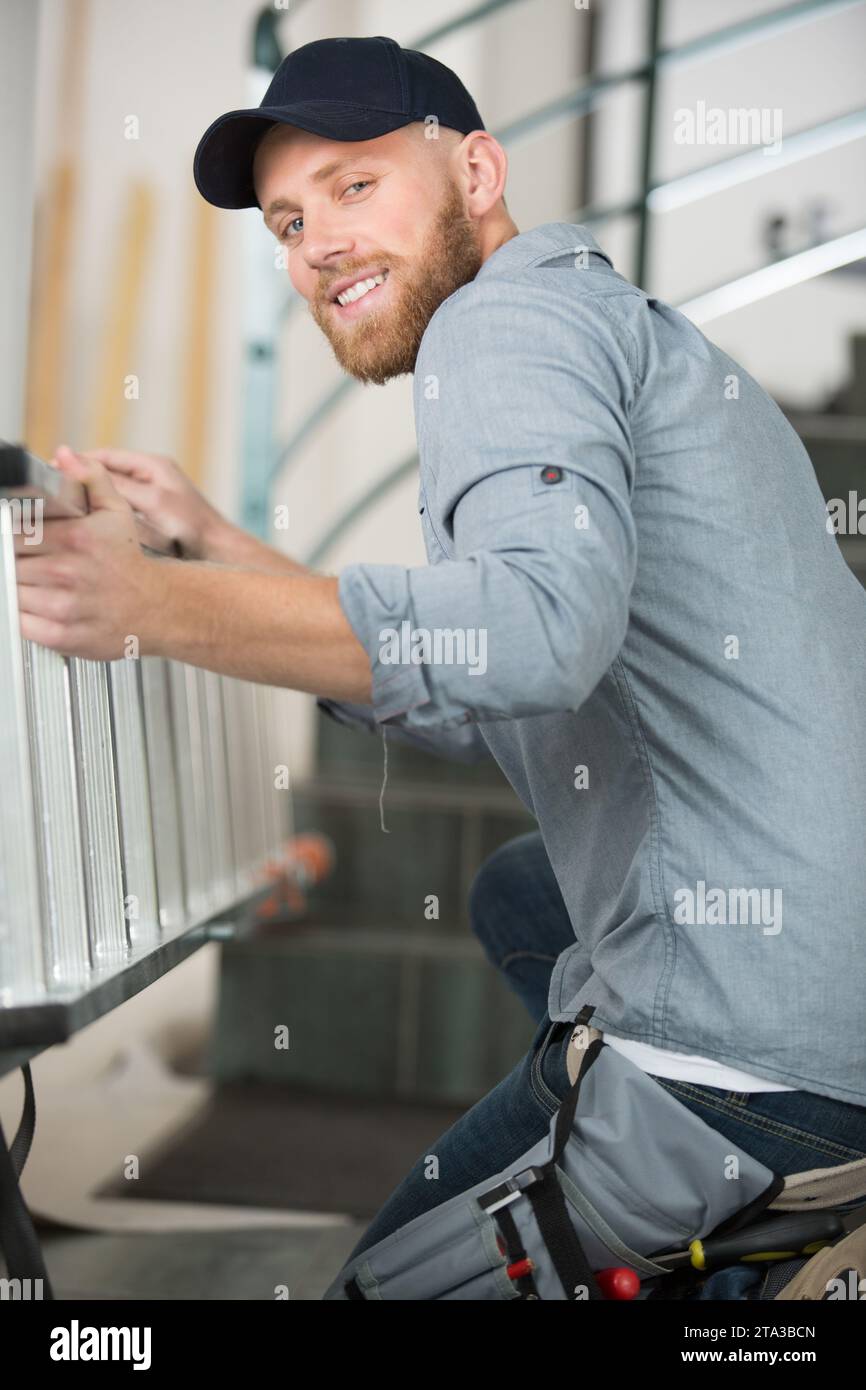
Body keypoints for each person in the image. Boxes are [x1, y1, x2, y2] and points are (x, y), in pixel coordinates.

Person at [14, 37, 866, 1273]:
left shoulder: (498, 323)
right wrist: (214, 548)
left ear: (474, 170)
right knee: (519, 892)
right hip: (833, 960)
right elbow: (500, 692)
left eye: (356, 187)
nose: (318, 247)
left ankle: (688, 1178)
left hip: (765, 1055)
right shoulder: (609, 323)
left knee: (373, 1285)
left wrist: (149, 604)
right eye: (288, 221)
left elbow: (524, 634)